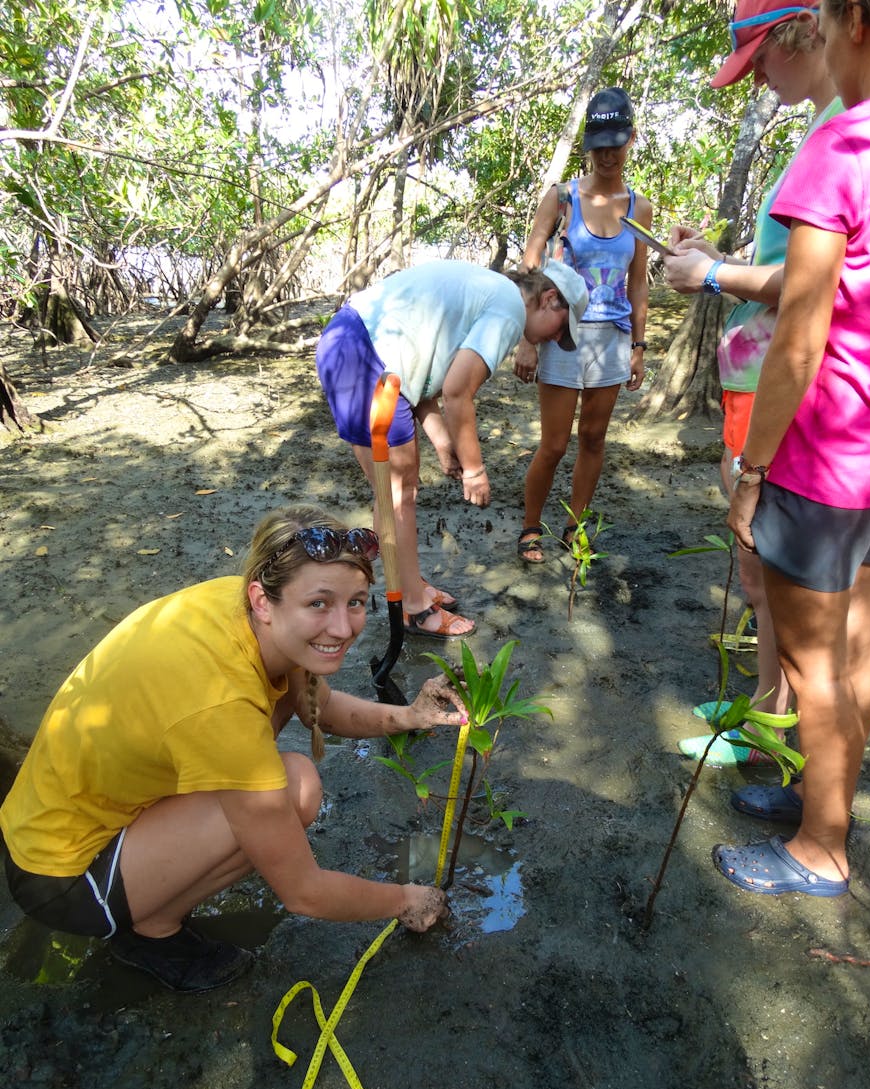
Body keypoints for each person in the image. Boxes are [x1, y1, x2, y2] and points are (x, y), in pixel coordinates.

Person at [0, 509, 471, 991]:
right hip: (61, 877)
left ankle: (155, 897)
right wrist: (406, 899)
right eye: (319, 604)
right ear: (263, 601)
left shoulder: (247, 602)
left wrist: (410, 716)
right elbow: (304, 893)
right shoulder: (221, 700)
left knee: (292, 788)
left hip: (81, 820)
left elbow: (320, 710)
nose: (344, 627)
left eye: (355, 602)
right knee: (293, 790)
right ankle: (150, 930)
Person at [714, 0, 870, 897]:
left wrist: (754, 470)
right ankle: (824, 797)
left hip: (824, 456)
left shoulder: (842, 147)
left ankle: (820, 848)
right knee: (859, 659)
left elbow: (800, 336)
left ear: (844, 21)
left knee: (812, 668)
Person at [666, 0, 842, 774]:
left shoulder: (844, 127)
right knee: (756, 563)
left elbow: (806, 284)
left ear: (799, 35)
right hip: (751, 380)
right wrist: (720, 255)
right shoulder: (818, 125)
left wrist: (710, 276)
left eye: (760, 62)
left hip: (787, 387)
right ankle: (761, 702)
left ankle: (767, 726)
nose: (759, 81)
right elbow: (782, 255)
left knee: (767, 561)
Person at [316, 259, 589, 636]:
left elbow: (423, 380)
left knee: (394, 491)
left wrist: (444, 443)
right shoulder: (510, 306)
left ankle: (409, 587)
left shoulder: (488, 292)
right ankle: (412, 607)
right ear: (548, 299)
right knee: (399, 491)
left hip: (353, 345)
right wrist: (475, 471)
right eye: (562, 329)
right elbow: (458, 391)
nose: (556, 341)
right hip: (363, 354)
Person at [513, 87, 652, 563]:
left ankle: (574, 528)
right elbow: (532, 261)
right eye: (599, 144)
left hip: (612, 339)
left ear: (630, 139)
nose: (608, 154)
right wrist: (527, 337)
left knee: (593, 438)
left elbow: (638, 284)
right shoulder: (562, 197)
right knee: (553, 443)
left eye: (616, 142)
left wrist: (639, 345)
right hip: (563, 335)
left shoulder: (640, 208)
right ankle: (531, 527)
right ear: (588, 146)